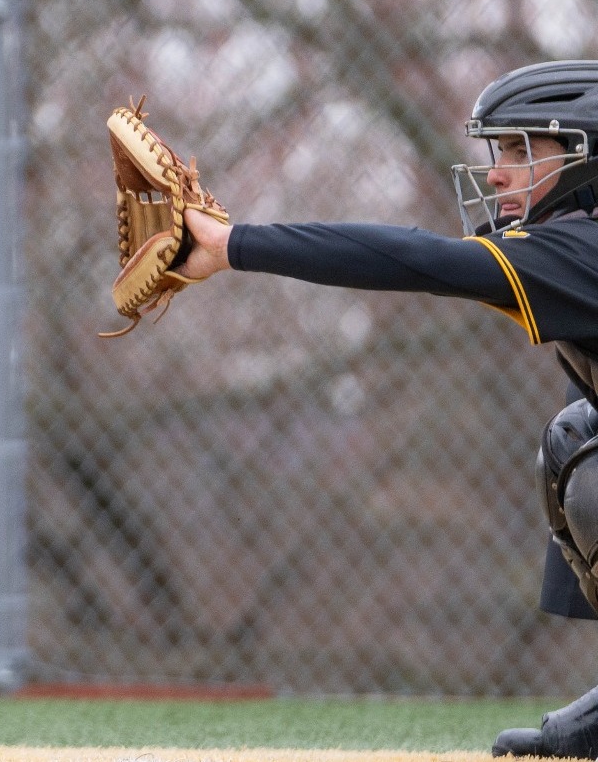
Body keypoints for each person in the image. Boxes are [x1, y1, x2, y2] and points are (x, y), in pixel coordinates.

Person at [161, 59, 598, 757]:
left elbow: (414, 259)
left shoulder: (581, 249)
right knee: (580, 430)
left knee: (587, 466)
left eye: (520, 151)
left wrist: (229, 243)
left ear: (584, 156)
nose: (496, 174)